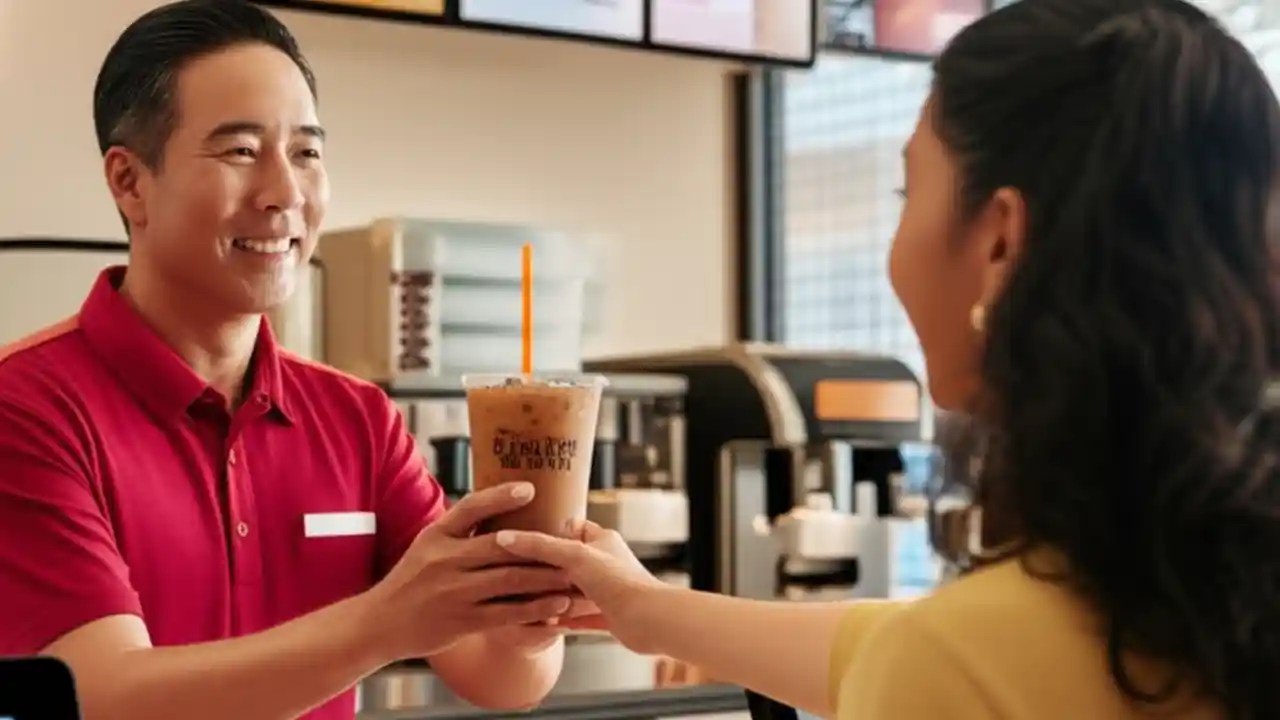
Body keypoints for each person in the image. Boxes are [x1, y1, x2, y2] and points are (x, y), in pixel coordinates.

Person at [495, 0, 1280, 718]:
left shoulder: (957, 663)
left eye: (909, 196)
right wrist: (646, 609)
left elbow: (945, 654)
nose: (897, 250)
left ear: (1000, 238)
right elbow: (903, 643)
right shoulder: (1212, 595)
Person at [0, 2, 581, 719]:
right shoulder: (24, 409)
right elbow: (105, 697)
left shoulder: (358, 417)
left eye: (306, 153)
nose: (284, 194)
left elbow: (499, 677)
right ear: (129, 182)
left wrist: (528, 611)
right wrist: (385, 622)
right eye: (241, 151)